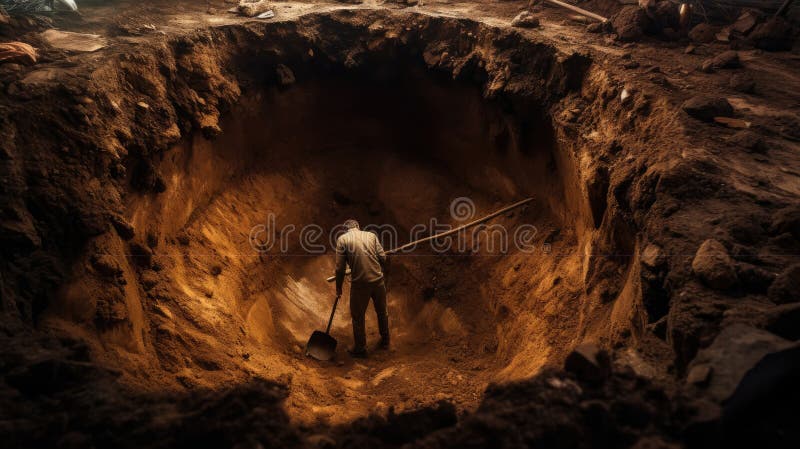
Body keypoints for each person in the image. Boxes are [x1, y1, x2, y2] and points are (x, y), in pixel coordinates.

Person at [334, 219, 389, 358]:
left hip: (360, 284)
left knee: (358, 317)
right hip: (378, 281)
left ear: (346, 229)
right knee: (382, 312)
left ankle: (360, 348)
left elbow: (339, 269)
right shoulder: (371, 236)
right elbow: (383, 258)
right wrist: (375, 262)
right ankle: (386, 340)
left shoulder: (342, 240)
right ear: (358, 227)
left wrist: (338, 287)